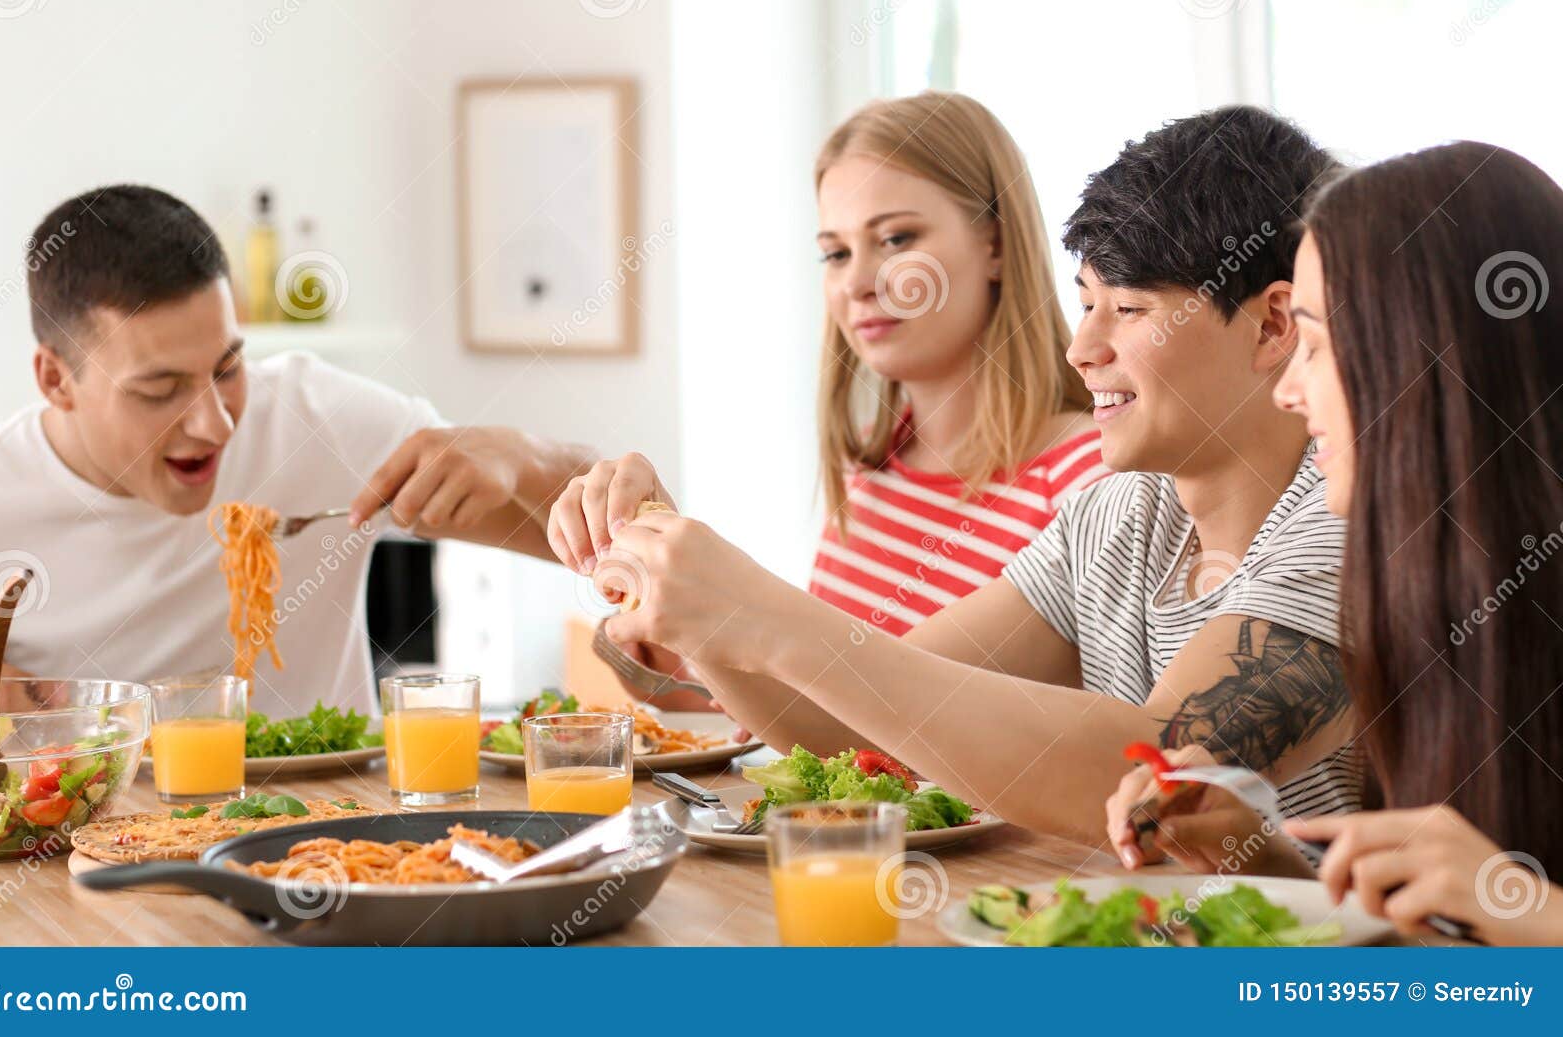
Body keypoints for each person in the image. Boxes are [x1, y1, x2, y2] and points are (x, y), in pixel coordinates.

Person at [561, 105, 1360, 843]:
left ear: (1273, 324)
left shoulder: (1345, 530)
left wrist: (756, 607)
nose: (1083, 350)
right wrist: (681, 582)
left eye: (1132, 310)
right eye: (1086, 302)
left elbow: (1157, 785)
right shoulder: (1115, 519)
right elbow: (855, 722)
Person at [1104, 141, 1563, 944]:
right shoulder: (1438, 593)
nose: (1288, 390)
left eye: (1314, 344)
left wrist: (1522, 904)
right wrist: (1274, 860)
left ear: (1425, 359)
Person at [550, 92, 1103, 708]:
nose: (857, 283)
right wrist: (674, 639)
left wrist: (715, 603)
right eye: (836, 252)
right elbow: (827, 716)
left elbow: (888, 714)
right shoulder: (873, 469)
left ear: (996, 246)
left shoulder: (1087, 479)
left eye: (895, 239)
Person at [0, 185, 592, 715]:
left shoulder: (317, 419)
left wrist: (522, 461)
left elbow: (617, 534)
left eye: (228, 368)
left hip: (344, 840)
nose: (214, 424)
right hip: (92, 852)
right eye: (160, 390)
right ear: (55, 380)